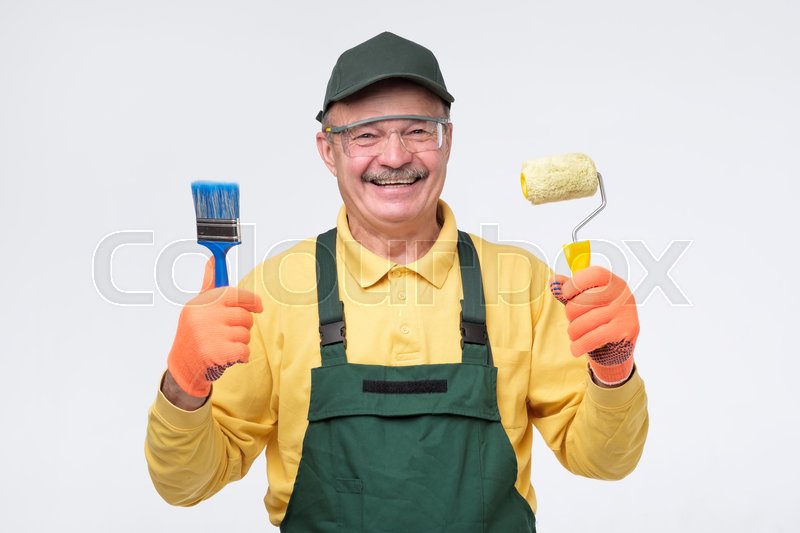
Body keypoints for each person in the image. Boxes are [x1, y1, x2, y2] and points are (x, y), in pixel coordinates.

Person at [145, 31, 648, 532]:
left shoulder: (524, 283)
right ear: (327, 150)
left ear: (447, 139)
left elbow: (604, 462)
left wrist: (614, 368)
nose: (394, 156)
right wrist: (184, 386)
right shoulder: (272, 292)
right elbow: (186, 484)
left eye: (418, 130)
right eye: (365, 134)